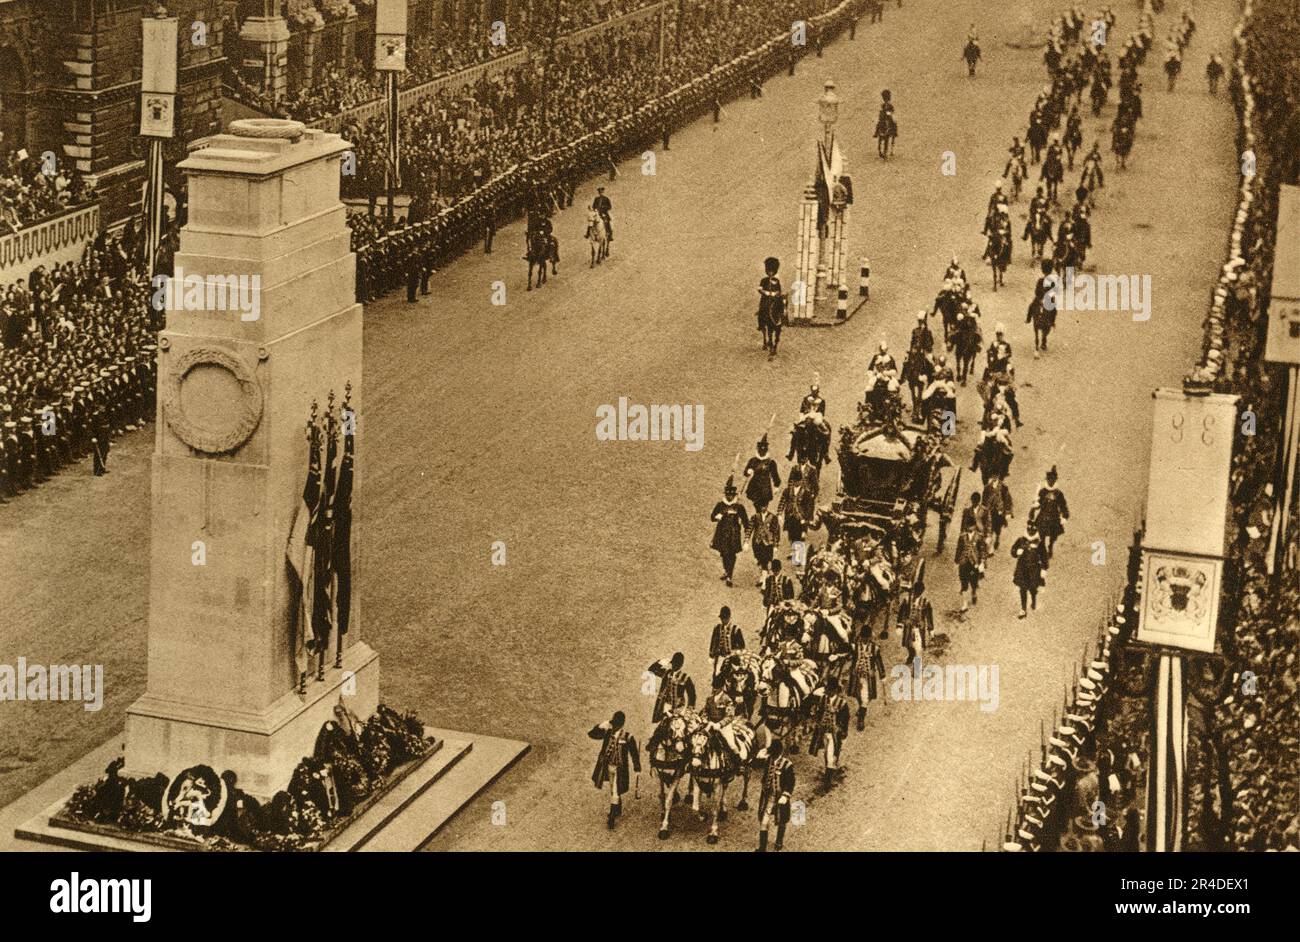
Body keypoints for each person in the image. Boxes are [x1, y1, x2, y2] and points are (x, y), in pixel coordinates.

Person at [588, 711, 641, 830]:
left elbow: (634, 754)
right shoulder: (607, 733)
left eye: (617, 724)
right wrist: (601, 725)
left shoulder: (628, 737)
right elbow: (592, 734)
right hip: (607, 767)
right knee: (613, 789)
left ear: (621, 724)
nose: (615, 726)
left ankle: (611, 817)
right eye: (614, 724)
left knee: (615, 790)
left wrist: (637, 768)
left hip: (619, 769)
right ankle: (617, 807)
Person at [808, 676, 851, 785]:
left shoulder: (842, 703)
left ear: (835, 690)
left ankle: (828, 777)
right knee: (827, 752)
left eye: (829, 690)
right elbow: (819, 713)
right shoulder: (823, 699)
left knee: (831, 752)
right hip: (823, 731)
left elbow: (846, 718)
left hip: (834, 733)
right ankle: (829, 770)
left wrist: (842, 730)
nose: (827, 692)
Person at [756, 738, 795, 852]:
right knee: (764, 821)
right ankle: (762, 848)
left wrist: (785, 795)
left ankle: (778, 842)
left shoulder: (787, 765)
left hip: (780, 797)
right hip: (768, 797)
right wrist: (758, 755)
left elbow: (791, 782)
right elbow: (755, 764)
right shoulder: (768, 760)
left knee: (781, 821)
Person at [710, 475, 749, 587]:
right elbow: (712, 517)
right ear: (725, 494)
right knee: (723, 553)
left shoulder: (739, 507)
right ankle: (727, 571)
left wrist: (747, 535)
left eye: (731, 495)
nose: (729, 497)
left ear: (734, 495)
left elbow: (745, 520)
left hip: (733, 534)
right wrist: (717, 516)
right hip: (721, 533)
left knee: (731, 555)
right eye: (728, 495)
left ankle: (729, 576)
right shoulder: (720, 505)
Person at [1011, 523, 1048, 618]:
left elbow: (1044, 556)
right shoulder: (1021, 540)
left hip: (1034, 569)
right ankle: (1023, 609)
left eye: (1033, 532)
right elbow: (1013, 550)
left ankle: (1033, 599)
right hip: (1022, 569)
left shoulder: (1039, 543)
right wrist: (1016, 552)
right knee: (1022, 589)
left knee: (1032, 588)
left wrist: (1044, 568)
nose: (1030, 534)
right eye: (1029, 532)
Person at [647, 652, 696, 722]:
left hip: (678, 709)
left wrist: (688, 711)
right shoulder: (667, 673)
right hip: (664, 706)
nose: (674, 666)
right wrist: (660, 662)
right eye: (673, 663)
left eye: (677, 664)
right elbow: (652, 670)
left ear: (681, 665)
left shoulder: (685, 677)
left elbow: (692, 695)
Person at [1034, 465, 1070, 560]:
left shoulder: (1058, 493)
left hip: (1054, 516)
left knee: (1053, 535)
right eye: (1049, 480)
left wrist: (1065, 515)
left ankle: (1050, 546)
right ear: (1047, 480)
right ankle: (1042, 550)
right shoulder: (1042, 491)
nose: (1051, 482)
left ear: (1055, 481)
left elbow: (1063, 505)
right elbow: (1038, 502)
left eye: (1053, 480)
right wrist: (1036, 504)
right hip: (1043, 515)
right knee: (1040, 534)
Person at [955, 518, 988, 612]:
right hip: (964, 563)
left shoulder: (979, 537)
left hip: (974, 564)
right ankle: (965, 604)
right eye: (968, 526)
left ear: (974, 526)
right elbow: (959, 548)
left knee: (973, 581)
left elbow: (983, 550)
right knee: (964, 583)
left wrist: (982, 562)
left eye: (971, 526)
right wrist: (957, 560)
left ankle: (973, 592)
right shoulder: (962, 537)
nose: (969, 528)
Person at [743, 435, 781, 513]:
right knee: (756, 504)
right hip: (755, 486)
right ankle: (758, 517)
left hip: (765, 487)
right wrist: (748, 471)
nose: (762, 453)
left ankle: (760, 518)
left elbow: (775, 474)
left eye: (764, 451)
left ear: (766, 451)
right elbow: (745, 472)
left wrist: (776, 485)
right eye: (760, 450)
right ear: (758, 450)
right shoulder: (753, 460)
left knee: (764, 505)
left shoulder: (770, 462)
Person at [709, 607, 745, 686]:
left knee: (737, 677)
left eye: (725, 618)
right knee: (717, 674)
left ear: (729, 617)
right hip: (721, 657)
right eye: (722, 618)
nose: (723, 620)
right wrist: (711, 655)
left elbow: (742, 646)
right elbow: (713, 642)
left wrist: (735, 653)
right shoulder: (717, 628)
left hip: (733, 658)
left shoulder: (736, 629)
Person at [749, 501, 780, 586]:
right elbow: (750, 528)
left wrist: (775, 544)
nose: (763, 508)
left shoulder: (773, 517)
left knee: (766, 560)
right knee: (759, 559)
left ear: (767, 506)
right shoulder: (755, 517)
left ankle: (763, 580)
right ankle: (763, 577)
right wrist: (746, 540)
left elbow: (776, 531)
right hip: (757, 542)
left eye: (765, 506)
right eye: (761, 506)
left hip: (768, 543)